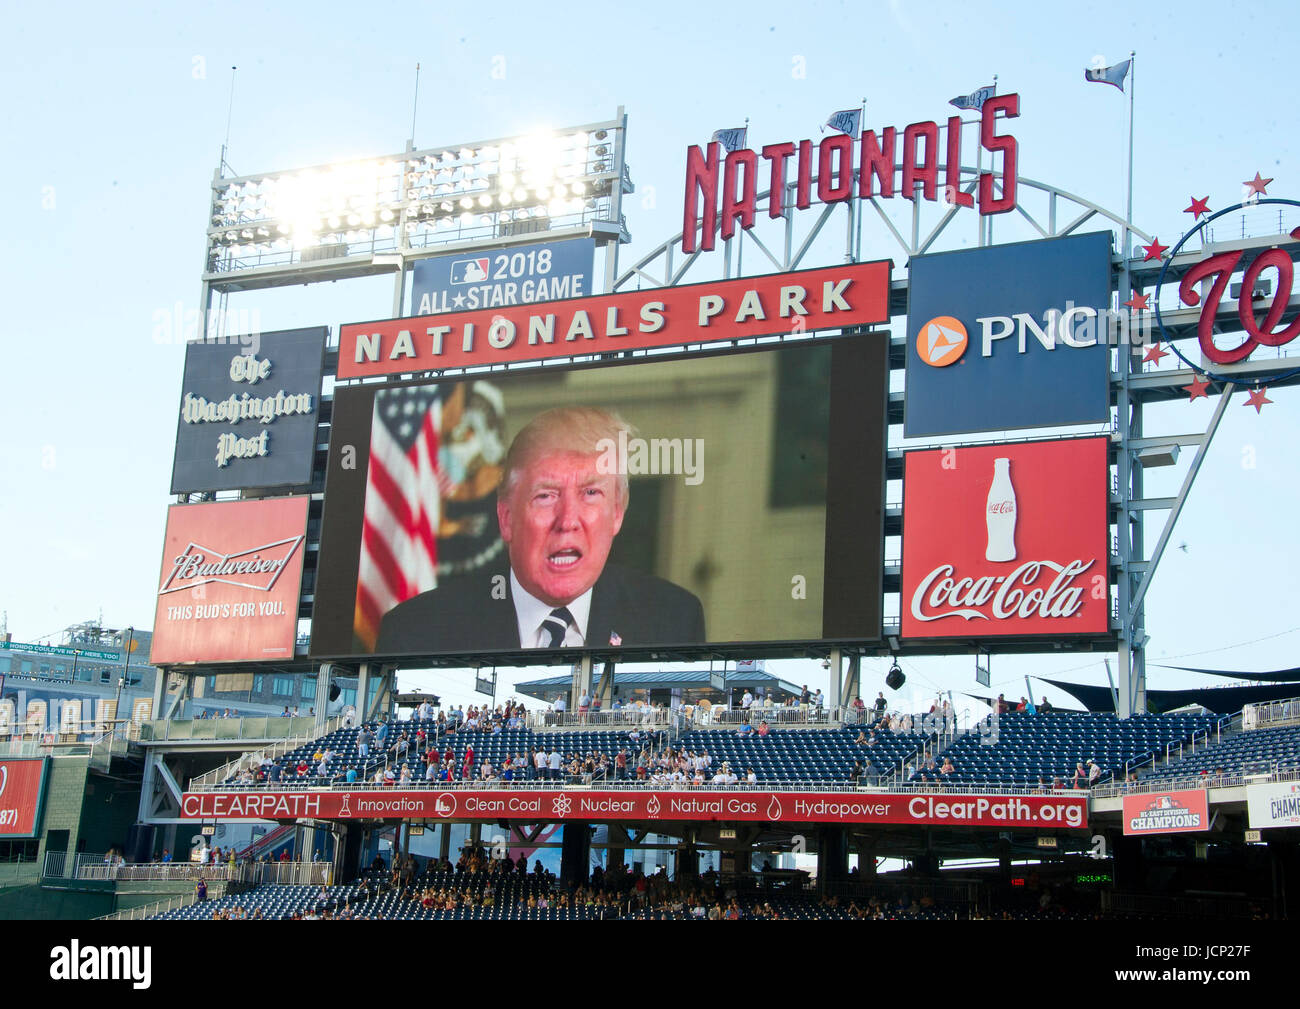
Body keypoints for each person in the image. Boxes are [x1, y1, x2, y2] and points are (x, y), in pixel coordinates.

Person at [376, 407, 706, 651]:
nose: (567, 521)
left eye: (591, 493)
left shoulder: (673, 619)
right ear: (506, 518)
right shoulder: (416, 630)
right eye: (545, 495)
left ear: (617, 513)